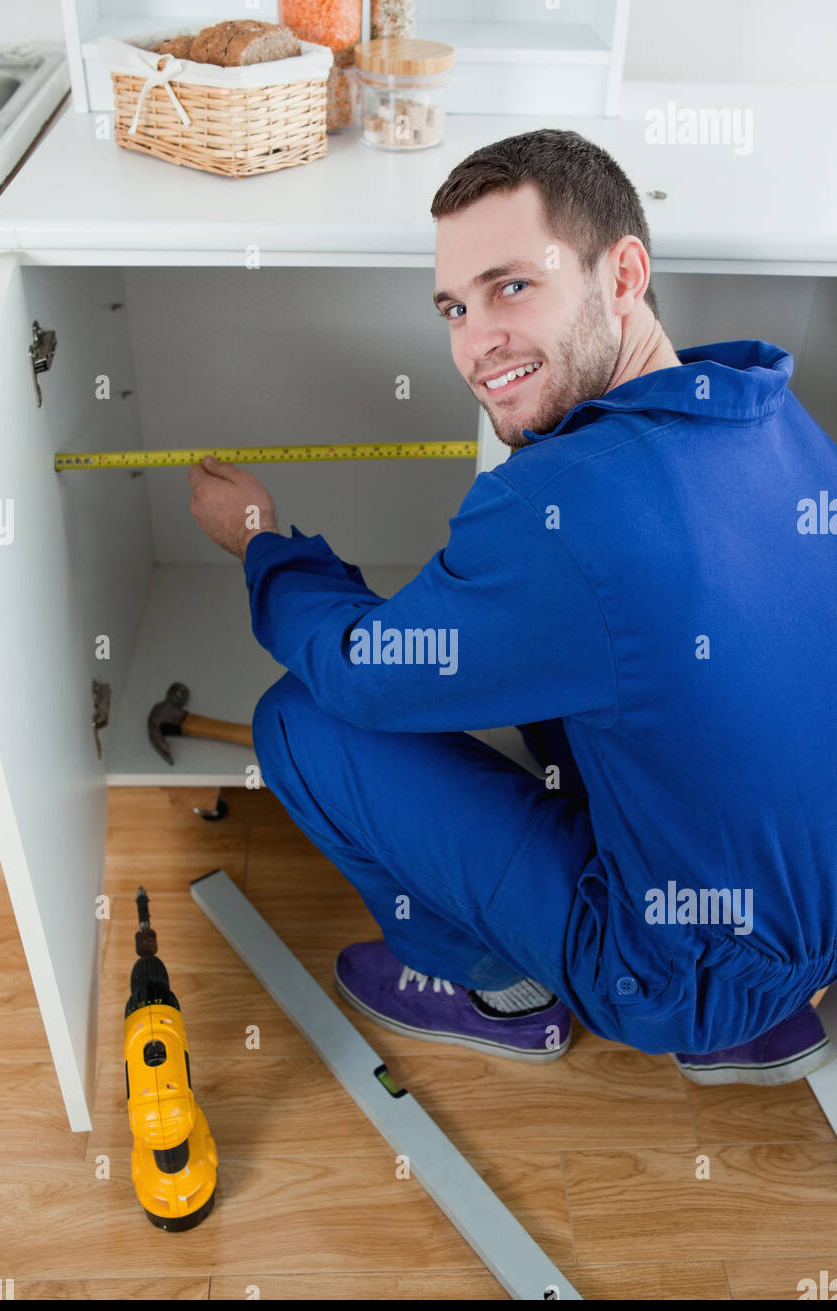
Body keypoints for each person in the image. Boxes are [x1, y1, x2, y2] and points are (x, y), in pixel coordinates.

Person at [189, 128, 837, 1086]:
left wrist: (262, 544)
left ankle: (497, 990)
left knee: (299, 719)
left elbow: (363, 674)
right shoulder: (767, 409)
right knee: (576, 662)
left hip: (681, 968)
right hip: (807, 923)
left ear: (624, 274)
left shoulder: (563, 510)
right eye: (454, 305)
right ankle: (762, 997)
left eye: (512, 287)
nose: (472, 343)